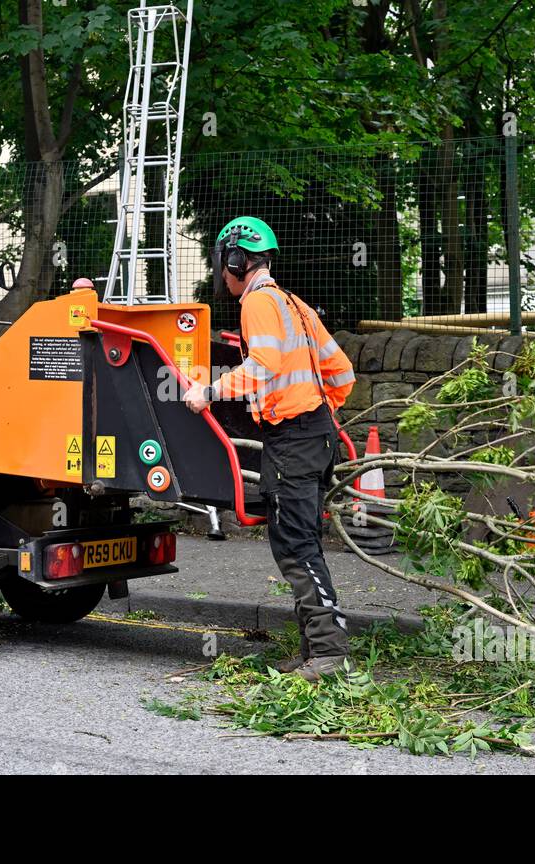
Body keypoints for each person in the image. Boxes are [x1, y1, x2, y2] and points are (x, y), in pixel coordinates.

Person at [183, 217, 356, 682]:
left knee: (297, 546)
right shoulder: (294, 303)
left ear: (236, 260)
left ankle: (329, 654)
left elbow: (261, 368)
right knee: (301, 541)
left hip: (295, 440)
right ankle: (314, 652)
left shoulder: (258, 303)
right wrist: (317, 412)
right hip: (315, 435)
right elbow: (341, 372)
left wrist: (210, 392)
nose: (223, 273)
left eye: (224, 263)